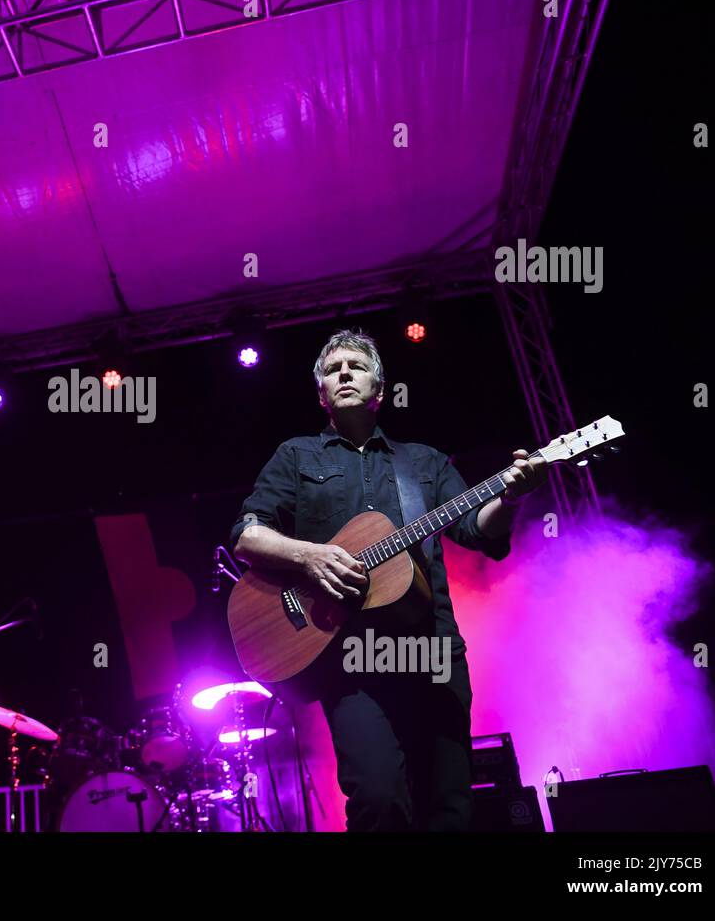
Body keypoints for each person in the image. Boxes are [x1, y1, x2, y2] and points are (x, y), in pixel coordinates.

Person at [230, 328, 546, 830]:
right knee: (378, 802)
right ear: (321, 395)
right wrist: (310, 556)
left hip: (431, 650)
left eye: (355, 366)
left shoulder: (422, 461)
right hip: (350, 660)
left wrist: (510, 497)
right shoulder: (297, 456)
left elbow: (475, 528)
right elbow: (247, 535)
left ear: (379, 389)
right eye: (332, 371)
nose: (344, 375)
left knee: (450, 809)